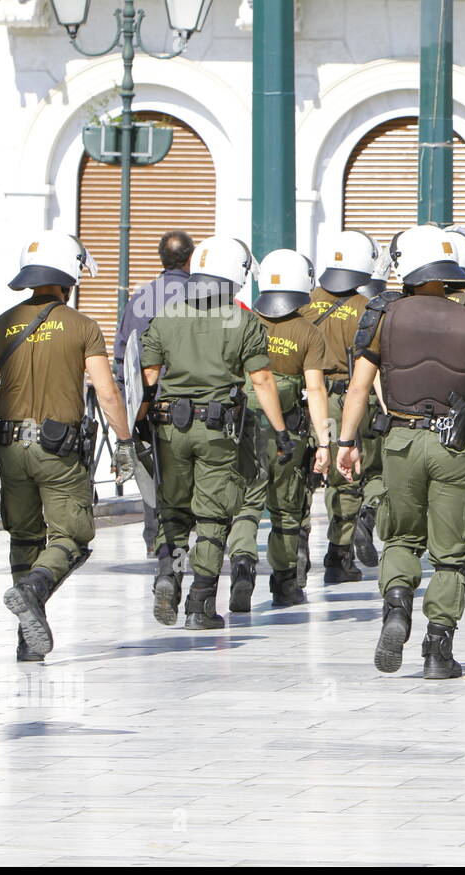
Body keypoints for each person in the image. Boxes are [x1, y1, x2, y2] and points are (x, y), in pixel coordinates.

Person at [337, 225, 465, 678]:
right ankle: (438, 650)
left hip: (399, 440)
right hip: (455, 445)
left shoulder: (384, 317)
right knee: (452, 550)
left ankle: (396, 605)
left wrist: (345, 443)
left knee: (400, 536)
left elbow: (357, 388)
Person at [0, 232, 136, 661]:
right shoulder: (83, 327)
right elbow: (106, 393)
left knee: (25, 538)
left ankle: (27, 642)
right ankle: (33, 587)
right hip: (58, 451)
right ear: (69, 276)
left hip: (8, 449)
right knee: (74, 535)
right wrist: (124, 442)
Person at [141, 236, 295, 630]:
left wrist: (137, 430)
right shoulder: (243, 320)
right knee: (211, 516)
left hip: (168, 428)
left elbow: (146, 377)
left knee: (172, 510)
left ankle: (167, 576)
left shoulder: (166, 315)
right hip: (217, 431)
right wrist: (280, 432)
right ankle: (200, 604)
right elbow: (260, 379)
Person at [225, 250, 331, 610]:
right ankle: (285, 583)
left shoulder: (243, 322)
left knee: (245, 503)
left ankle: (242, 562)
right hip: (289, 432)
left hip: (243, 428)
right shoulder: (308, 333)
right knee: (285, 508)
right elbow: (315, 390)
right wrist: (326, 443)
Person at [299, 230, 386, 584]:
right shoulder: (368, 309)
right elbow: (377, 365)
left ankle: (295, 554)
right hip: (348, 401)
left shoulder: (301, 302)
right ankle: (339, 555)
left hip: (305, 401)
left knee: (303, 477)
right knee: (350, 476)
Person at [113, 230, 193, 556]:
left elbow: (123, 356)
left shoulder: (140, 299)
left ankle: (155, 542)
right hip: (193, 405)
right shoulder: (207, 296)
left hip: (147, 405)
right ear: (190, 258)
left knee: (151, 475)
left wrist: (127, 405)